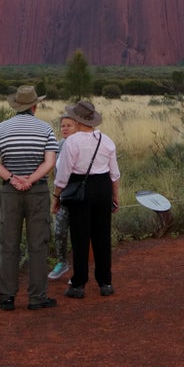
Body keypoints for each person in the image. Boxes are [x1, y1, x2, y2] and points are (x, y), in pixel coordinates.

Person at [0, 85, 59, 311]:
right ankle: (37, 298)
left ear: (17, 105)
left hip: (10, 193)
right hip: (37, 192)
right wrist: (30, 180)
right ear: (35, 106)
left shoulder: (1, 128)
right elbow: (50, 162)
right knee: (38, 245)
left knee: (9, 245)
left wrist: (12, 179)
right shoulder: (45, 129)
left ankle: (6, 297)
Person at [55, 100, 121, 299]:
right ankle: (105, 282)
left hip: (79, 190)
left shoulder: (71, 142)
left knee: (80, 237)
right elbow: (115, 174)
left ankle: (78, 284)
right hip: (103, 187)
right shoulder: (107, 140)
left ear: (77, 119)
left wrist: (56, 197)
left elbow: (63, 174)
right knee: (102, 236)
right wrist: (115, 197)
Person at [47, 116, 77, 280]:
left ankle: (79, 271)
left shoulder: (81, 144)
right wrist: (56, 196)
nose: (65, 128)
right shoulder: (58, 145)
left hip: (80, 197)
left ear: (77, 126)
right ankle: (62, 262)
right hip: (63, 196)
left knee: (79, 234)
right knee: (59, 231)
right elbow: (56, 172)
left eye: (69, 125)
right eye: (62, 126)